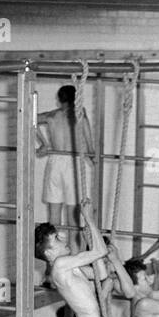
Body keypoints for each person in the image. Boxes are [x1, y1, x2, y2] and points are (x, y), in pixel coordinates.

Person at [36, 84, 95, 235]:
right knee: (73, 217)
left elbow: (30, 118)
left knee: (54, 215)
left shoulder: (52, 115)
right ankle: (74, 254)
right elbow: (89, 141)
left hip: (55, 161)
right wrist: (92, 155)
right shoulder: (80, 114)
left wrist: (44, 143)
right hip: (72, 163)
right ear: (76, 98)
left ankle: (56, 253)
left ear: (59, 99)